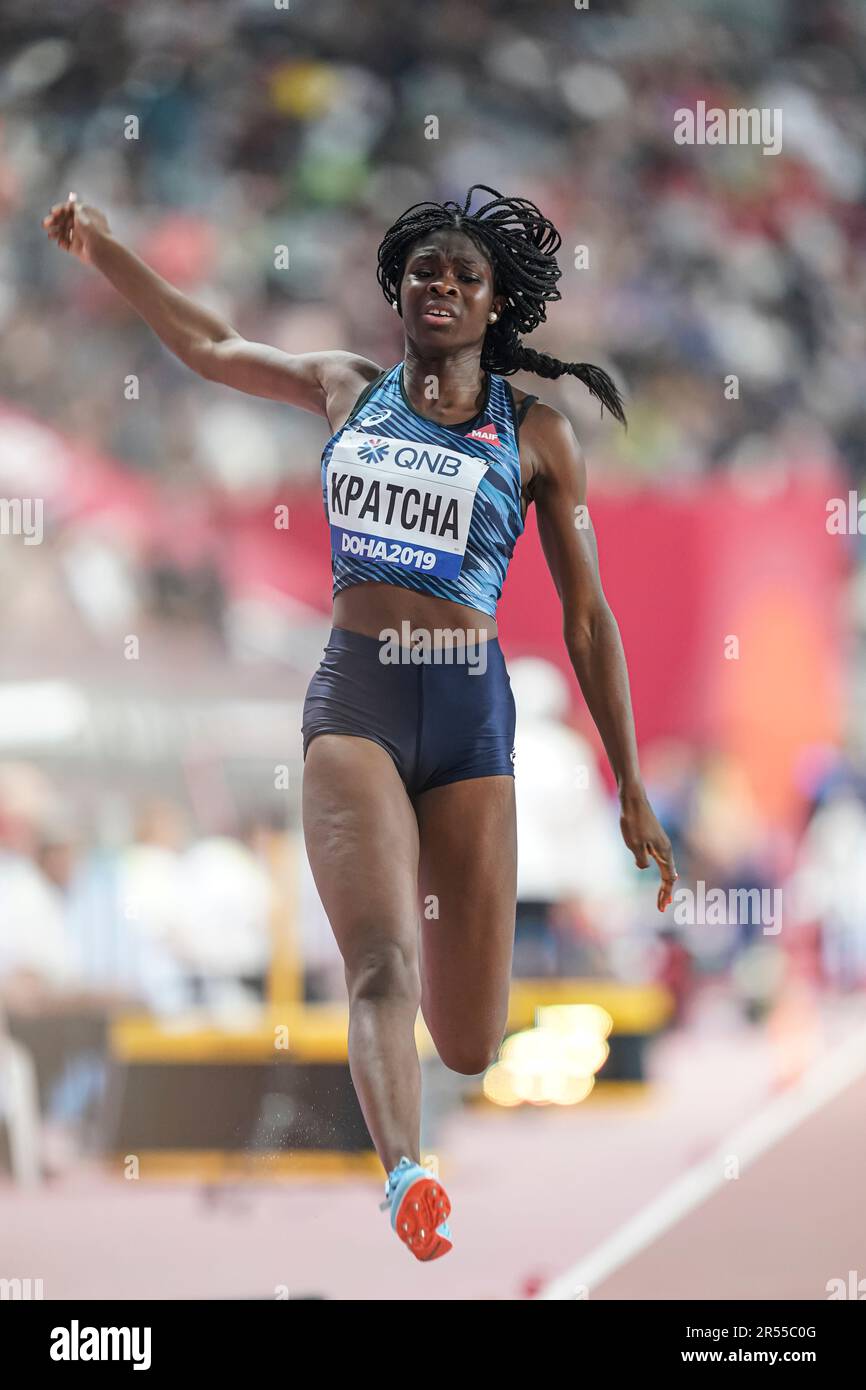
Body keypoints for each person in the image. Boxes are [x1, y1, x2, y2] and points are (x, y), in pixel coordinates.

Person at [43, 184, 677, 1261]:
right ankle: (403, 1174)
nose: (438, 286)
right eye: (423, 271)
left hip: (470, 712)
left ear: (494, 307)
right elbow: (206, 341)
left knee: (472, 1038)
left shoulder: (536, 435)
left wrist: (626, 781)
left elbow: (585, 616)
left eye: (463, 277)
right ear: (399, 289)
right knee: (380, 964)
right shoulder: (345, 389)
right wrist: (108, 250)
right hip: (357, 699)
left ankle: (430, 1106)